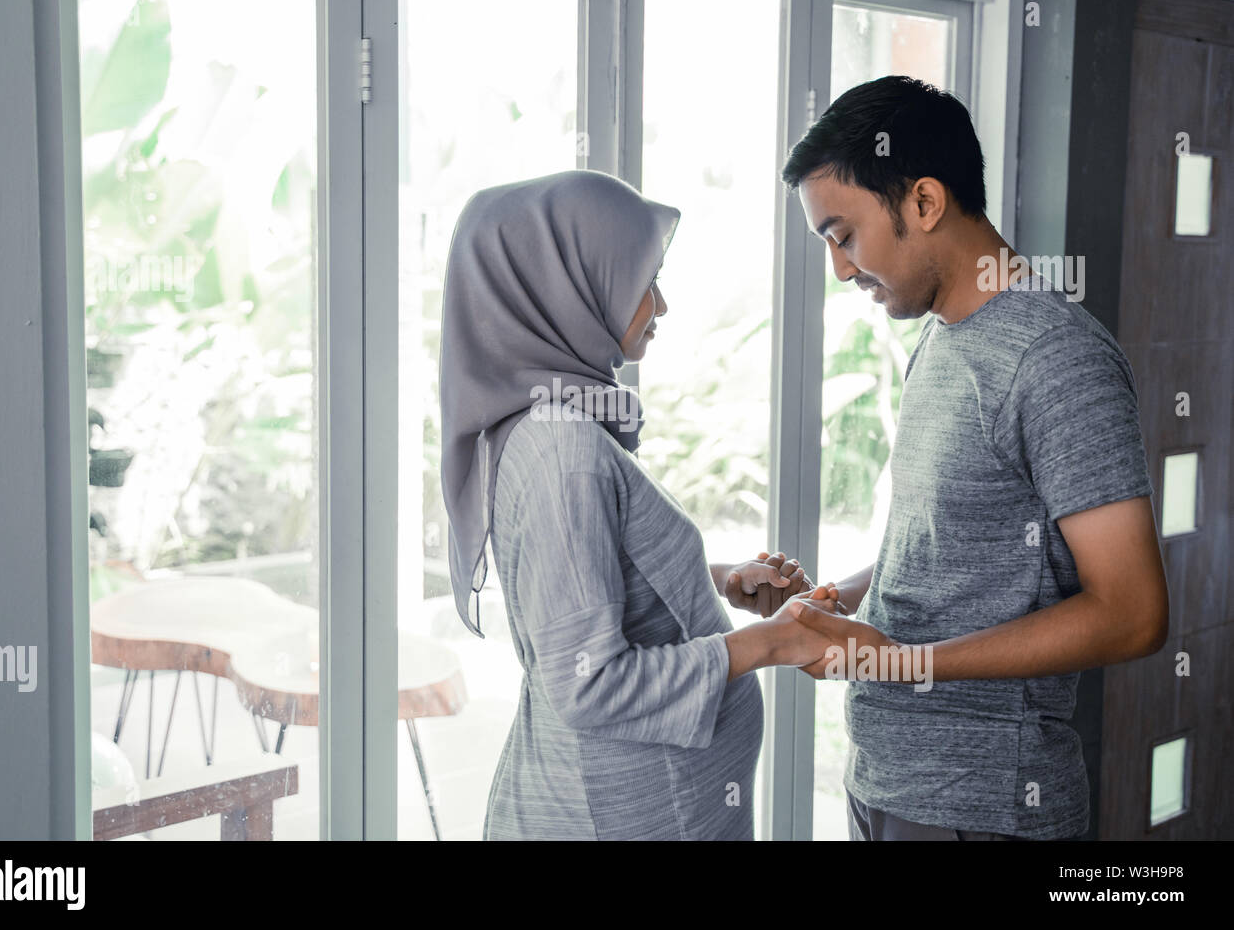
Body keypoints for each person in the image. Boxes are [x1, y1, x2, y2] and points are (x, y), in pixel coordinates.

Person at [761, 75, 1169, 840]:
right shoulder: (941, 336)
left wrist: (897, 662)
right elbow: (955, 547)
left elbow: (1135, 613)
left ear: (922, 202)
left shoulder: (1055, 358)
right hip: (887, 785)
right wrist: (837, 601)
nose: (841, 270)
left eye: (842, 236)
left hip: (986, 811)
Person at [439, 169, 830, 840]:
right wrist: (774, 642)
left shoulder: (538, 424)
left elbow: (578, 587)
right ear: (567, 287)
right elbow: (593, 684)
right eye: (640, 282)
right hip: (628, 814)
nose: (661, 305)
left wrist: (718, 582)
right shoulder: (563, 450)